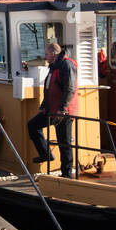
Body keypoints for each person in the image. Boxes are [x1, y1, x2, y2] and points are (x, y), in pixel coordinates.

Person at [28, 42, 78, 179]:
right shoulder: (53, 67)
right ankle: (45, 154)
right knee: (32, 125)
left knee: (64, 143)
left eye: (46, 54)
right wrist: (44, 105)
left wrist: (62, 109)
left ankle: (67, 174)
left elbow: (70, 88)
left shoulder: (67, 65)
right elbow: (49, 88)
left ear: (52, 54)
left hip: (63, 112)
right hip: (51, 109)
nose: (45, 57)